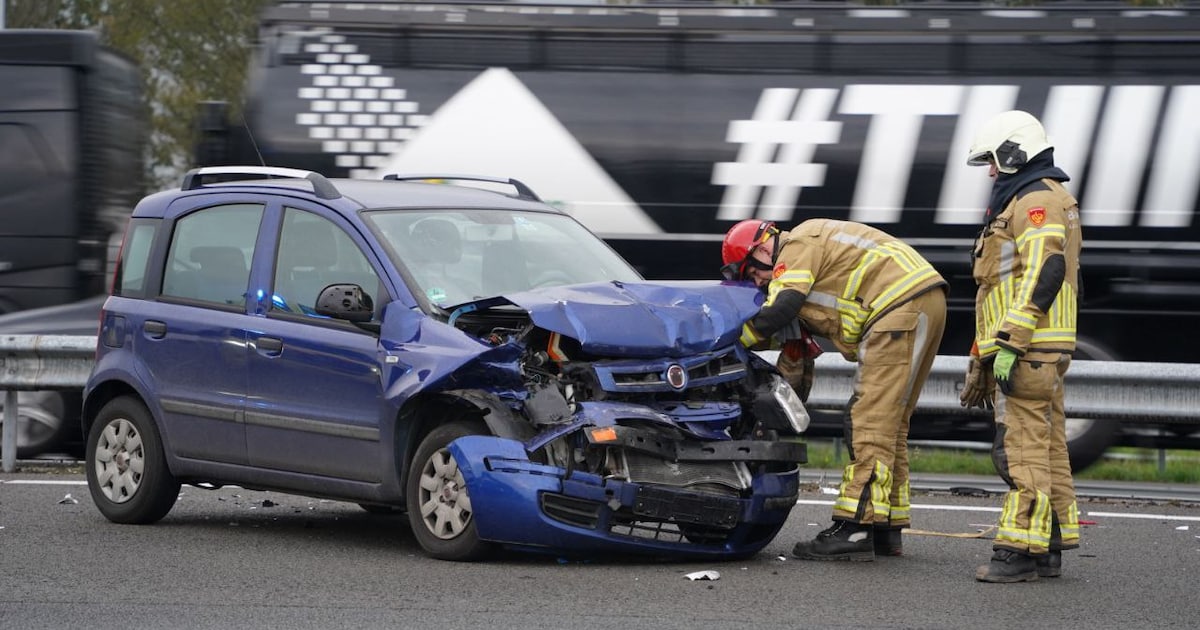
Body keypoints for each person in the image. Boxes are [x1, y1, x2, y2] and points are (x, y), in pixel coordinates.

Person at [721, 218, 947, 561]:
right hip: (922, 300)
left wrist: (730, 341)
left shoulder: (796, 245)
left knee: (867, 422)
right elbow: (794, 361)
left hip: (898, 306)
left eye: (752, 272)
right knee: (891, 425)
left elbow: (781, 308)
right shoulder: (811, 263)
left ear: (763, 248)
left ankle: (855, 529)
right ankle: (885, 526)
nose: (758, 282)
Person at [960, 110, 1083, 583]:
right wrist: (983, 349)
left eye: (993, 160)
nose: (991, 172)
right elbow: (1007, 282)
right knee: (1048, 446)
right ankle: (1049, 545)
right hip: (1042, 344)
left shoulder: (1035, 201)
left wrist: (1010, 341)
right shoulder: (1048, 197)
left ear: (1015, 152)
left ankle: (1017, 553)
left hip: (1029, 346)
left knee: (1021, 449)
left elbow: (1042, 270)